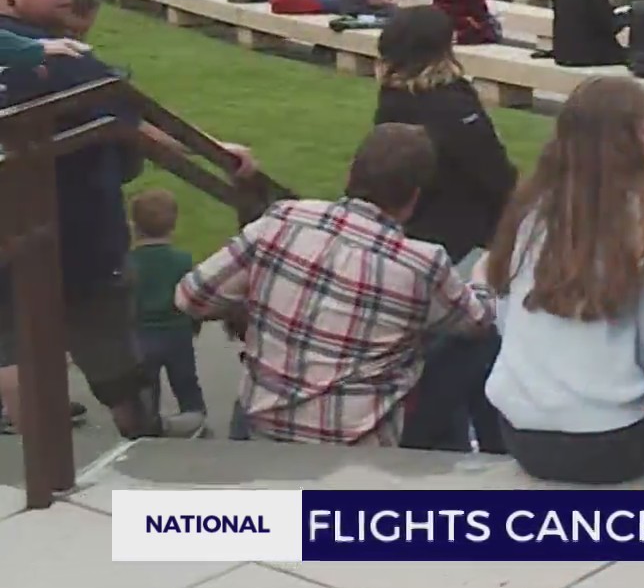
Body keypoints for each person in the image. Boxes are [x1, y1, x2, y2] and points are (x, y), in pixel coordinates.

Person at [0, 0, 253, 441]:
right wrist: (220, 154)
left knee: (13, 349)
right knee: (119, 369)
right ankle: (142, 449)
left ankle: (43, 478)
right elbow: (136, 121)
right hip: (80, 243)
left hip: (12, 240)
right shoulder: (64, 60)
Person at [176, 124, 494, 446]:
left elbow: (190, 296)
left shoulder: (282, 219)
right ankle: (480, 462)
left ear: (349, 175)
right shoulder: (421, 262)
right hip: (354, 444)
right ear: (414, 197)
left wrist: (262, 303)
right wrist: (484, 275)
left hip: (263, 424)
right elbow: (479, 321)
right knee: (471, 344)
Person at [484, 78, 644, 484]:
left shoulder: (525, 212)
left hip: (521, 432)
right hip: (611, 440)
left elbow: (505, 321)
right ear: (622, 142)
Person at [373, 6, 518, 264]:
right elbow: (493, 172)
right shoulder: (452, 105)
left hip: (408, 229)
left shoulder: (393, 96)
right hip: (459, 238)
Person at [126, 189, 205, 435]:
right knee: (185, 379)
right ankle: (194, 417)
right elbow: (192, 295)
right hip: (177, 330)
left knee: (145, 383)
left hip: (142, 333)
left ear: (134, 225)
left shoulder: (129, 261)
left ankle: (147, 422)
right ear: (173, 223)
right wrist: (195, 323)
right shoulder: (182, 259)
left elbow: (127, 302)